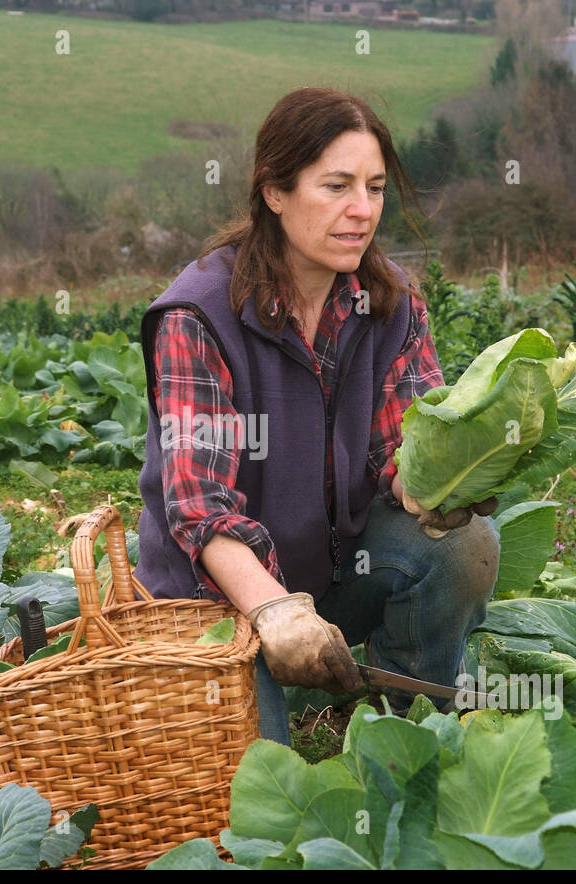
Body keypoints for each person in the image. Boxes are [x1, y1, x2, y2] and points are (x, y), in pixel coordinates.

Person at [133, 87, 501, 745]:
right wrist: (275, 611)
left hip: (329, 574)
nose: (362, 211)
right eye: (336, 186)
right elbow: (198, 506)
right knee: (254, 798)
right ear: (275, 191)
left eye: (376, 187)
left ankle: (411, 730)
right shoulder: (200, 316)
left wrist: (446, 483)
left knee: (463, 548)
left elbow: (402, 452)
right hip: (215, 599)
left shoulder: (388, 307)